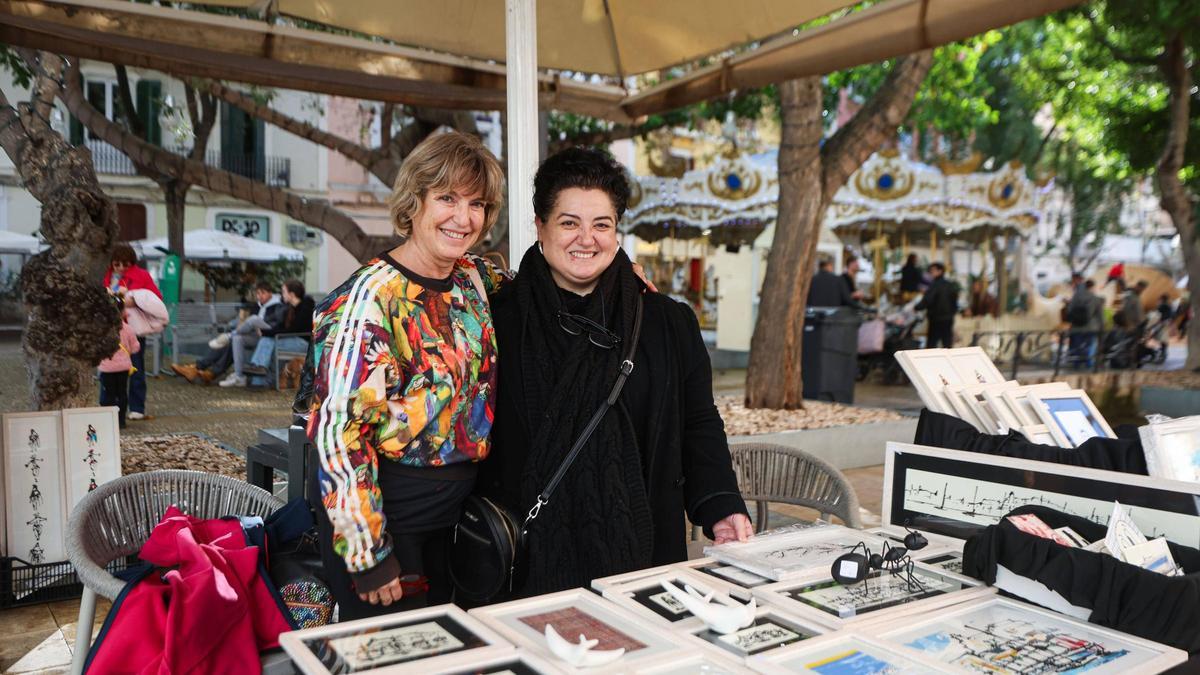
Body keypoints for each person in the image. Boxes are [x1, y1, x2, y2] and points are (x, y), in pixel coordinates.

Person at [479, 147, 752, 597]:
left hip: (644, 557)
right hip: (527, 566)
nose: (586, 239)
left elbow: (699, 423)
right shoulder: (498, 321)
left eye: (601, 224)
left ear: (617, 232)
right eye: (569, 223)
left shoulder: (666, 322)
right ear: (540, 228)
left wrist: (719, 503)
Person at [306, 131, 507, 619]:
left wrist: (620, 269)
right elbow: (337, 434)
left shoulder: (473, 278)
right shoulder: (371, 297)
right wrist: (368, 552)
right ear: (413, 202)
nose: (464, 218)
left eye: (477, 204)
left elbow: (546, 280)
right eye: (447, 198)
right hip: (391, 523)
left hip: (456, 519)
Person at [174, 282, 283, 384]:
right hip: (252, 334)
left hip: (265, 337)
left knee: (233, 337)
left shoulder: (276, 305)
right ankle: (203, 370)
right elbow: (247, 323)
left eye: (263, 293)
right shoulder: (258, 305)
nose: (260, 296)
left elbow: (271, 323)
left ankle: (200, 368)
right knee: (233, 340)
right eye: (258, 293)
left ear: (270, 293)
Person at [103, 244, 161, 420]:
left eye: (125, 264)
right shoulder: (105, 275)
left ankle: (137, 407)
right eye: (117, 264)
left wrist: (133, 299)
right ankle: (108, 406)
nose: (121, 268)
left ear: (132, 263)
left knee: (136, 367)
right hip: (110, 328)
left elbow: (155, 297)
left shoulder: (142, 276)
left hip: (133, 329)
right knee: (108, 369)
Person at [238, 279, 315, 387]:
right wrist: (267, 332)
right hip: (290, 340)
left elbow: (294, 330)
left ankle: (257, 367)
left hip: (303, 343)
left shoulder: (305, 308)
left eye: (283, 292)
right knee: (267, 342)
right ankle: (258, 380)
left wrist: (267, 333)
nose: (281, 294)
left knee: (267, 340)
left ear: (292, 294)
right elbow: (281, 326)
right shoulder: (290, 308)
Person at [98, 297, 141, 428]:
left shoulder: (101, 329)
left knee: (108, 394)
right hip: (123, 367)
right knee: (121, 393)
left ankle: (108, 420)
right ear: (122, 312)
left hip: (107, 368)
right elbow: (135, 348)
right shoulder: (128, 329)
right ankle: (121, 420)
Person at [916, 262, 957, 348]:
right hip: (948, 318)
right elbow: (954, 301)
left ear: (940, 271)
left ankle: (930, 361)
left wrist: (917, 307)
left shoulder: (934, 285)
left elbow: (927, 300)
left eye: (933, 271)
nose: (931, 273)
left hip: (936, 318)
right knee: (947, 342)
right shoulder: (950, 285)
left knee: (932, 343)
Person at [1066, 279, 1103, 368]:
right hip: (1091, 327)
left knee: (1077, 346)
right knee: (1090, 346)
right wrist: (1101, 327)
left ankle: (1076, 364)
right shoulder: (1095, 298)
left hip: (1076, 326)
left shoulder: (1076, 296)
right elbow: (1099, 315)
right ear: (1093, 287)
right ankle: (1089, 364)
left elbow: (1069, 310)